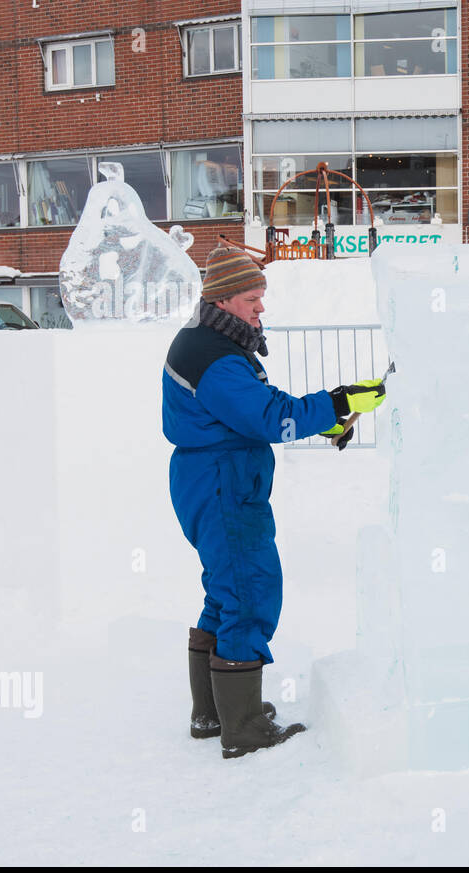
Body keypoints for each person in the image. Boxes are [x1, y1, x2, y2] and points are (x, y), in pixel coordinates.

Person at [162, 243, 387, 758]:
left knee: (225, 590)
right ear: (222, 301)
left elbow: (254, 409)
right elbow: (265, 416)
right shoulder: (214, 356)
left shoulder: (210, 342)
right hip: (223, 483)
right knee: (250, 588)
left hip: (212, 476)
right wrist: (338, 401)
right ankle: (242, 728)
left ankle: (212, 713)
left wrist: (326, 417)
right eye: (252, 298)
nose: (261, 307)